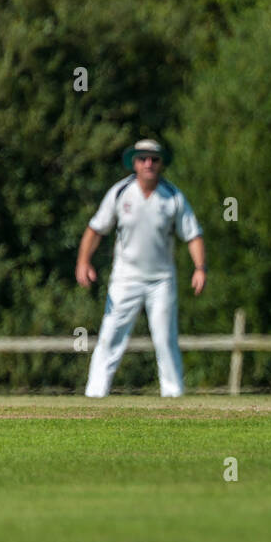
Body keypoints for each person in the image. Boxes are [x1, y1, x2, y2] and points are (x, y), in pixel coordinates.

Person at [76, 138, 206, 397]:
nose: (148, 163)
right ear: (134, 163)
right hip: (125, 278)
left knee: (165, 340)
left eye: (154, 159)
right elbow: (95, 228)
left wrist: (200, 267)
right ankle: (95, 395)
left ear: (161, 164)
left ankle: (173, 395)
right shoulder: (120, 192)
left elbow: (193, 235)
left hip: (161, 280)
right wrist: (83, 262)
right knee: (110, 336)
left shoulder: (173, 197)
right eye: (143, 158)